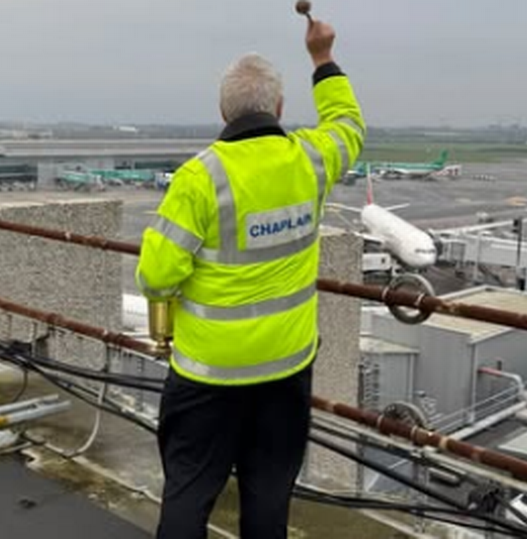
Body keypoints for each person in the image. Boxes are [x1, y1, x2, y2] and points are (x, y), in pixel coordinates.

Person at [136, 14, 366, 539]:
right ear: (279, 108)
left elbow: (156, 276)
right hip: (285, 371)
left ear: (223, 112)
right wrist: (322, 58)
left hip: (209, 376)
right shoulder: (310, 160)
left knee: (189, 494)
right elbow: (349, 125)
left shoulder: (200, 177)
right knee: (268, 497)